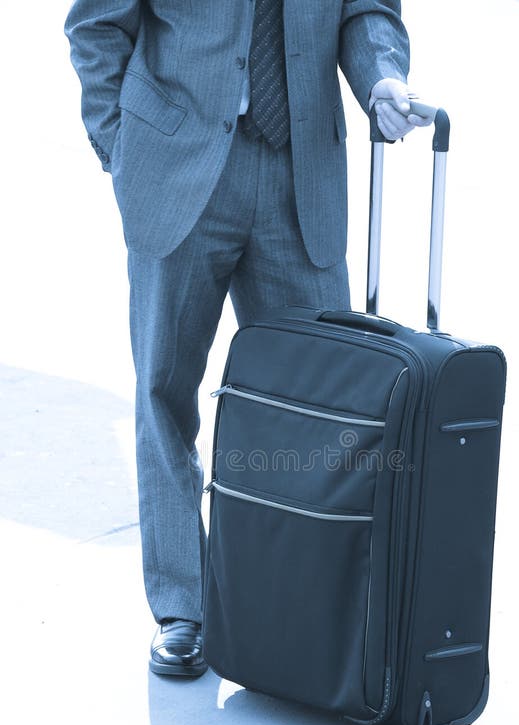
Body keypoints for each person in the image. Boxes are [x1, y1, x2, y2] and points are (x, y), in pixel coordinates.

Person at [64, 0, 432, 678]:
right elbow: (95, 23)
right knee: (164, 394)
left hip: (301, 176)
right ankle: (185, 607)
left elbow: (367, 10)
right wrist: (120, 145)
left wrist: (383, 76)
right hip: (177, 171)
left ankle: (298, 611)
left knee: (326, 409)